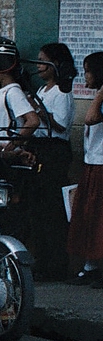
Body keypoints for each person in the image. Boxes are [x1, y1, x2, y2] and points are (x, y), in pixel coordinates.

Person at [28, 43, 78, 280]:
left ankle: (56, 265)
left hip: (55, 151)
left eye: (43, 61)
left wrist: (38, 111)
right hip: (39, 148)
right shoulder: (42, 90)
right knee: (38, 209)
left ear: (55, 64)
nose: (39, 66)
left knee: (52, 210)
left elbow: (59, 125)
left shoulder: (62, 92)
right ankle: (42, 261)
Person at [67, 53, 103, 286]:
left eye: (88, 71)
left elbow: (90, 119)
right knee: (89, 217)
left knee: (98, 218)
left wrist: (99, 96)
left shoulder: (100, 98)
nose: (85, 76)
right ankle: (91, 266)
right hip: (93, 162)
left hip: (101, 164)